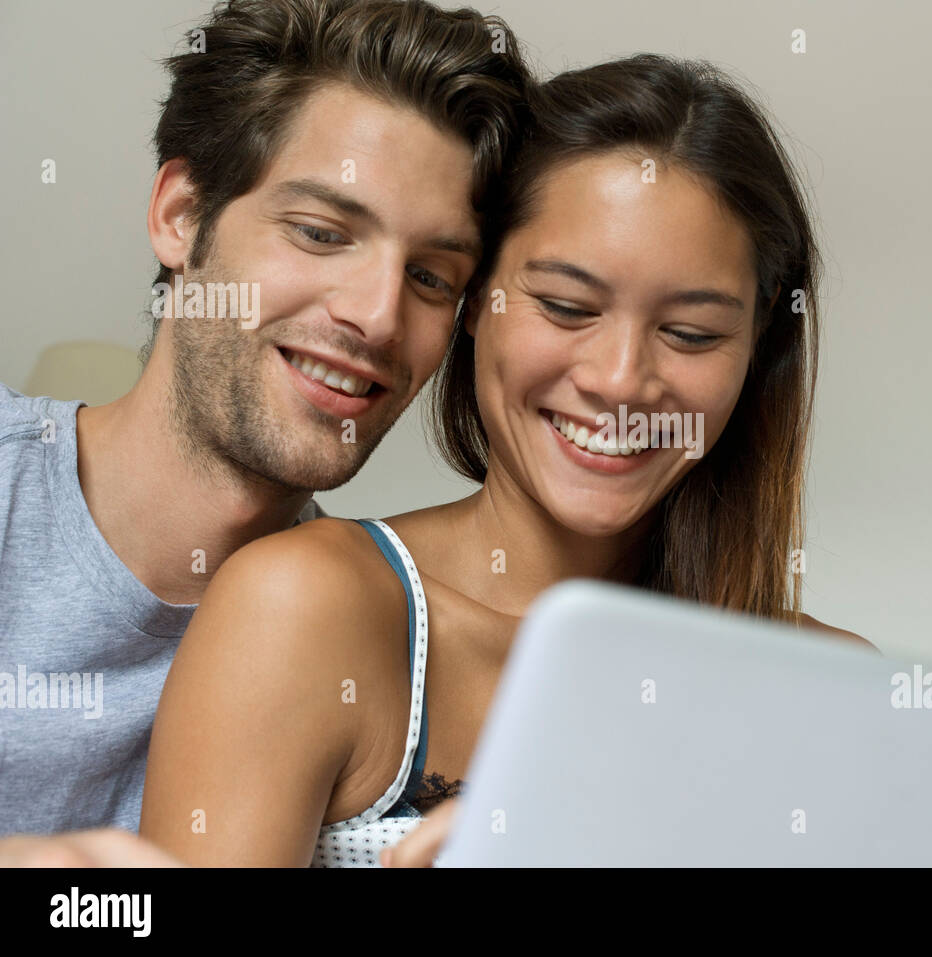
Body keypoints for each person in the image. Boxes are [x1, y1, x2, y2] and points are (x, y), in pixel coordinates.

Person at [138, 53, 875, 868]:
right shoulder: (309, 605)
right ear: (472, 302)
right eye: (566, 306)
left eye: (691, 332)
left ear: (755, 345)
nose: (620, 379)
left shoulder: (831, 687)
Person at [0, 0, 530, 859]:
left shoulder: (356, 648)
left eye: (431, 277)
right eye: (322, 233)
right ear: (180, 215)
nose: (377, 317)